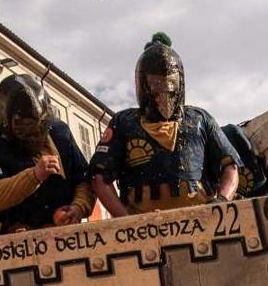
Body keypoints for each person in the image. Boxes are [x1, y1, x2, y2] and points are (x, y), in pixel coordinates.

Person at [90, 33, 239, 216]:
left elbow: (230, 166)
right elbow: (99, 176)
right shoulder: (124, 123)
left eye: (170, 83)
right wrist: (128, 223)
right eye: (156, 83)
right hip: (144, 229)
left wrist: (221, 202)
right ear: (143, 84)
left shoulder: (199, 119)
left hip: (201, 223)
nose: (165, 90)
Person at [0, 74, 94, 237]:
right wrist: (34, 176)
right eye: (26, 129)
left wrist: (78, 207)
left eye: (40, 126)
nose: (35, 136)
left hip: (61, 234)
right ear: (8, 126)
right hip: (13, 239)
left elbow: (84, 179)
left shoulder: (61, 134)